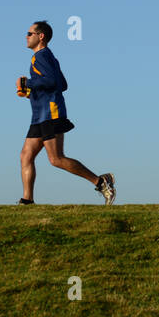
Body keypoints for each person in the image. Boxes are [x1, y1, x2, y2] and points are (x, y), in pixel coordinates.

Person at [17, 20, 115, 205]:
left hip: (50, 114)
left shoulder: (42, 56)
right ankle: (27, 200)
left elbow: (53, 82)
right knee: (26, 155)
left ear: (41, 36)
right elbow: (62, 84)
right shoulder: (49, 57)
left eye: (30, 33)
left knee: (56, 159)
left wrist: (27, 83)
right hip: (40, 115)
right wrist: (30, 93)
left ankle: (101, 182)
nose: (26, 36)